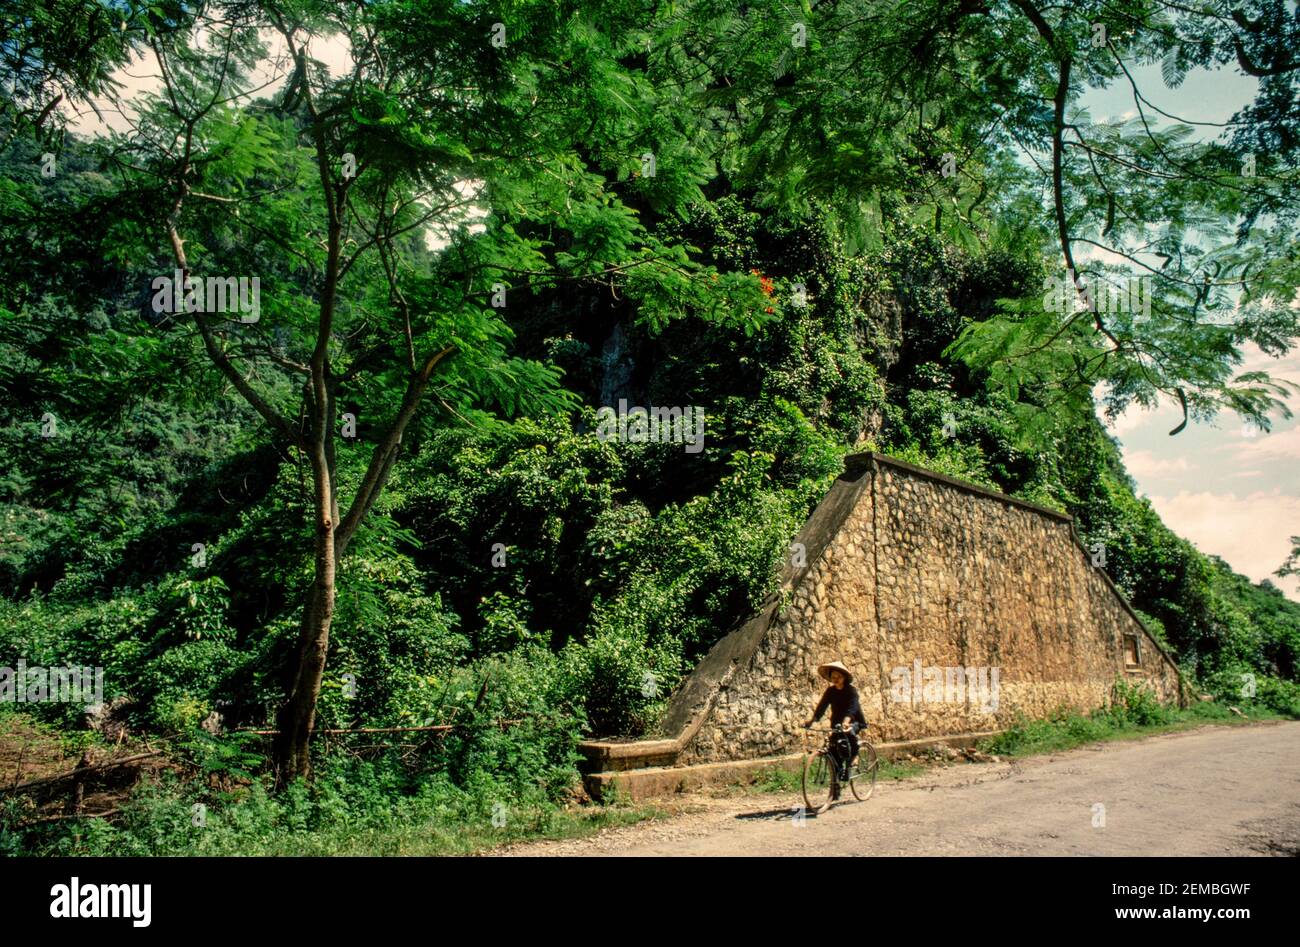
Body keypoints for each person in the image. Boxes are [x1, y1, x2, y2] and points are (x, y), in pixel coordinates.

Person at [803, 661, 868, 796]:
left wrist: (846, 721)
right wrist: (812, 720)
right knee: (833, 752)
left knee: (850, 737)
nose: (835, 679)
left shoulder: (851, 691)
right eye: (833, 677)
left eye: (838, 676)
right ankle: (835, 789)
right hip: (837, 724)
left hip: (853, 722)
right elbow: (822, 706)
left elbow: (853, 707)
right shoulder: (830, 691)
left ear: (844, 677)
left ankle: (852, 762)